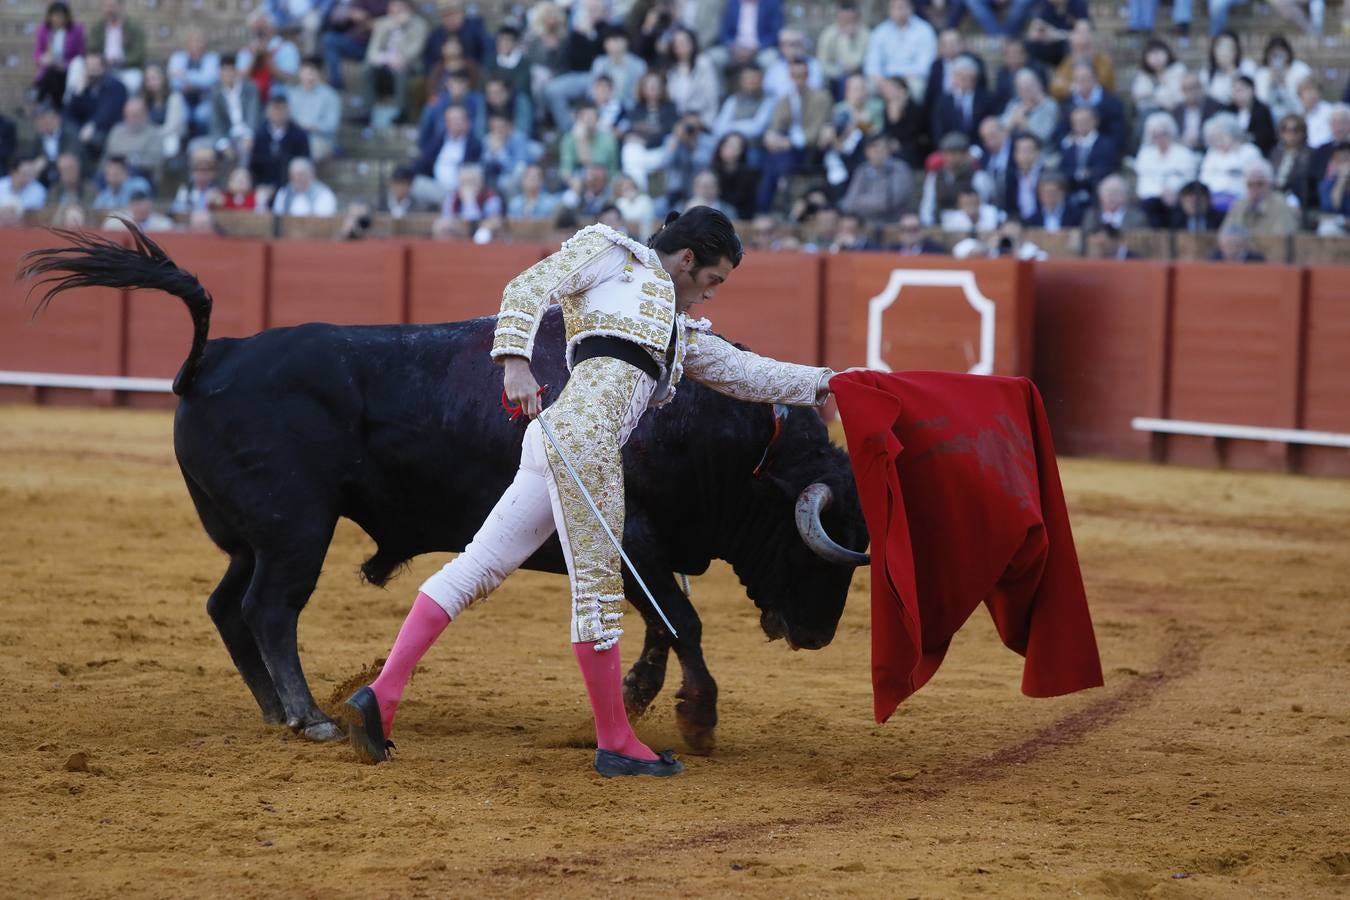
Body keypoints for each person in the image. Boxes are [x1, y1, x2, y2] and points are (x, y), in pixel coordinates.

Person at [342, 207, 843, 778]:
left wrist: (835, 381)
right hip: (588, 448)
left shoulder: (677, 331)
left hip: (555, 440)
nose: (710, 296)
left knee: (478, 566)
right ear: (687, 260)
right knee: (598, 595)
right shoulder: (612, 257)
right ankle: (616, 743)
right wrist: (513, 362)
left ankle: (380, 698)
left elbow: (749, 375)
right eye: (712, 280)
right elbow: (530, 284)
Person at [755, 58, 833, 212]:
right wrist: (771, 136)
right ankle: (767, 205)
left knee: (776, 160)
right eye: (794, 75)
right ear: (790, 77)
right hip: (787, 150)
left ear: (807, 76)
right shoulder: (785, 99)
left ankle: (764, 207)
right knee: (770, 157)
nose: (798, 80)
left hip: (810, 149)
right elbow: (776, 125)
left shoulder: (821, 97)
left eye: (801, 75)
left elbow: (816, 130)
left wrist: (789, 142)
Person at [358, 0, 428, 124]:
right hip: (385, 65)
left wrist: (401, 28)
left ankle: (402, 112)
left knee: (401, 69)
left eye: (399, 7)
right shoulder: (383, 23)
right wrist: (388, 58)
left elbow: (414, 52)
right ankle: (366, 112)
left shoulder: (420, 25)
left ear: (408, 9)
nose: (395, 10)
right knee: (368, 68)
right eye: (393, 6)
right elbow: (372, 52)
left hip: (409, 67)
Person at [1136, 112, 1199, 226]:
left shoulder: (1183, 153)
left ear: (1171, 133)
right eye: (1155, 135)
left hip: (1178, 196)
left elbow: (1188, 178)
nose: (1160, 139)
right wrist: (1161, 192)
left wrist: (1172, 190)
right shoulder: (1145, 154)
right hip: (1152, 198)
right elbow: (1144, 181)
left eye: (1163, 134)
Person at [863, 0, 936, 96]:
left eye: (903, 7)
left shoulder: (924, 30)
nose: (900, 11)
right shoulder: (880, 31)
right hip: (885, 79)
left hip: (911, 78)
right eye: (897, 8)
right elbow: (872, 63)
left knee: (918, 86)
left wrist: (903, 81)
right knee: (867, 86)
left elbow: (925, 64)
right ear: (890, 10)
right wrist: (882, 81)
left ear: (911, 8)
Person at [65, 51, 127, 162]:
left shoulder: (115, 86)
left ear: (103, 68)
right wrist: (77, 94)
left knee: (91, 140)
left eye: (94, 66)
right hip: (84, 130)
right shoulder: (84, 87)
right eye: (88, 66)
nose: (91, 70)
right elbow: (69, 114)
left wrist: (92, 125)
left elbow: (108, 112)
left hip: (108, 129)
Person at [840, 135, 913, 226]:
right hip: (863, 224)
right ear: (867, 152)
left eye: (881, 149)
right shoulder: (862, 170)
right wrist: (862, 203)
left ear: (888, 151)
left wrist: (860, 202)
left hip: (893, 224)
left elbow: (889, 202)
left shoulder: (900, 169)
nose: (877, 153)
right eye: (873, 149)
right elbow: (849, 202)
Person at [1198, 112, 1263, 211]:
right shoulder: (1212, 153)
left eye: (1220, 136)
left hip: (1240, 199)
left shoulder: (1249, 151)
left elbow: (1254, 180)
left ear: (1233, 134)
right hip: (1213, 199)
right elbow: (1204, 178)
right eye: (1214, 138)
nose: (1217, 141)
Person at [319, 0, 387, 90]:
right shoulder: (357, 2)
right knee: (329, 40)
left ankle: (336, 83)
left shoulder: (384, 4)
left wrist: (365, 19)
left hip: (372, 48)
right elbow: (336, 19)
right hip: (354, 42)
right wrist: (349, 14)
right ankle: (336, 82)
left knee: (329, 40)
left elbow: (384, 25)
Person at [1221, 158, 1299, 235]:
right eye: (1250, 184)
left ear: (1269, 184)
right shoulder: (1239, 206)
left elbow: (1282, 237)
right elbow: (1225, 235)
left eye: (1260, 184)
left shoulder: (1281, 204)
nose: (1255, 188)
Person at [249, 94, 311, 189]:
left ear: (288, 110)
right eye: (275, 109)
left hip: (291, 187)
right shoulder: (259, 135)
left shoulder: (299, 135)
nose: (278, 113)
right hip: (263, 186)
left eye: (282, 109)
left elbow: (304, 163)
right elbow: (254, 165)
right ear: (268, 111)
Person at [32, 1, 85, 109]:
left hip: (69, 71)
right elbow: (38, 52)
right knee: (52, 73)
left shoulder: (76, 30)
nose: (58, 19)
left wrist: (65, 64)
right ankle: (53, 106)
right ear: (50, 16)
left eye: (61, 16)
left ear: (67, 17)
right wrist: (43, 59)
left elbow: (80, 54)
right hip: (49, 70)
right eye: (55, 16)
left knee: (54, 75)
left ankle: (39, 98)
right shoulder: (43, 30)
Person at [167, 27, 221, 132]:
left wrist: (184, 75)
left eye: (200, 41)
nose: (196, 45)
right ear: (187, 43)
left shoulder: (212, 58)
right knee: (181, 114)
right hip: (183, 98)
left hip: (205, 98)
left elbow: (209, 80)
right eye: (193, 41)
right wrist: (198, 80)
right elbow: (174, 82)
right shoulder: (177, 58)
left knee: (202, 116)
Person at [208, 56, 261, 160]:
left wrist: (249, 136)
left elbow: (253, 114)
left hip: (248, 133)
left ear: (235, 71)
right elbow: (216, 122)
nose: (228, 74)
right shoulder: (216, 94)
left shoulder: (250, 88)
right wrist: (224, 144)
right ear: (220, 73)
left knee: (245, 150)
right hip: (228, 135)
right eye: (224, 71)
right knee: (197, 146)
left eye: (230, 70)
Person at [664, 27, 719, 128]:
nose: (680, 46)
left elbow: (711, 98)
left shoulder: (704, 64)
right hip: (677, 120)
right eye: (676, 43)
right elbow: (671, 100)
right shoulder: (671, 70)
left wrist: (702, 122)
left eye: (684, 42)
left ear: (692, 43)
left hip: (701, 119)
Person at [86, 0, 146, 94]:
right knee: (77, 65)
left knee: (131, 84)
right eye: (106, 6)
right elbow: (91, 49)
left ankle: (129, 108)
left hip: (127, 69)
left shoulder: (134, 27)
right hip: (102, 68)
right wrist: (102, 61)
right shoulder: (98, 28)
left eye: (112, 6)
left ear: (121, 7)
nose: (109, 9)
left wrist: (120, 60)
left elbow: (139, 53)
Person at [930, 56, 991, 144]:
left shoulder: (985, 100)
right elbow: (938, 130)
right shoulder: (943, 101)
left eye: (969, 78)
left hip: (976, 150)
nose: (965, 81)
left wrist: (976, 150)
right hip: (950, 149)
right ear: (954, 77)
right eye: (961, 77)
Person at [102, 96, 164, 182]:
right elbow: (107, 155)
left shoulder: (153, 133)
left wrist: (129, 162)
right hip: (113, 172)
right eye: (128, 115)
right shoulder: (116, 131)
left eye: (135, 115)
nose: (131, 119)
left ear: (145, 115)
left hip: (140, 173)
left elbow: (155, 161)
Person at [711, 64, 774, 146]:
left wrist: (731, 126)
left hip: (756, 146)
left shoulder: (769, 100)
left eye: (754, 79)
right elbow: (719, 128)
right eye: (747, 79)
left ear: (761, 80)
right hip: (731, 144)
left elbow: (757, 129)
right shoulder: (733, 100)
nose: (751, 82)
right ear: (741, 81)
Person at [289, 59, 340, 160]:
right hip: (295, 138)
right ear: (300, 73)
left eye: (312, 72)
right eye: (306, 72)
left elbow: (331, 125)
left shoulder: (330, 95)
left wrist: (309, 127)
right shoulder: (292, 94)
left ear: (319, 74)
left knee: (307, 150)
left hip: (320, 140)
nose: (309, 76)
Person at [1255, 35, 1311, 122]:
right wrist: (1272, 81)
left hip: (1297, 116)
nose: (1277, 58)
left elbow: (1303, 102)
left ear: (1288, 53)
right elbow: (1262, 102)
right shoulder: (1261, 74)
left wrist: (1283, 81)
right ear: (1267, 55)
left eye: (1280, 54)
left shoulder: (1301, 69)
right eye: (1274, 55)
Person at [1131, 39, 1186, 121]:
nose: (1156, 58)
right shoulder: (1143, 75)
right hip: (1149, 116)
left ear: (1167, 53)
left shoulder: (1178, 69)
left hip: (1174, 113)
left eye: (1158, 53)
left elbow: (1178, 97)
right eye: (1151, 54)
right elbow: (1138, 96)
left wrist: (1153, 95)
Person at [1172, 71, 1227, 152]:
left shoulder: (1213, 107)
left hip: (1207, 151)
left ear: (1200, 88)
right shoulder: (1176, 111)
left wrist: (1199, 141)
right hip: (1182, 151)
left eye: (1194, 87)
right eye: (1187, 89)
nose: (1191, 92)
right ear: (1182, 91)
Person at [816, 2, 868, 89]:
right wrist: (840, 71)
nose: (848, 22)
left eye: (851, 19)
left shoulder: (865, 34)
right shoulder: (828, 34)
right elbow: (822, 63)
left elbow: (861, 61)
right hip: (835, 79)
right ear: (838, 16)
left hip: (861, 75)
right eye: (845, 19)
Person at [1270, 113, 1316, 210]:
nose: (1290, 134)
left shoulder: (1310, 154)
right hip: (1273, 198)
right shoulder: (1275, 153)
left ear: (1303, 132)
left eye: (1295, 130)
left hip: (1297, 201)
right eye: (1285, 130)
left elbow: (1305, 184)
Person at [1001, 67, 1058, 145]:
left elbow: (1044, 136)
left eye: (1029, 87)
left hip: (1042, 152)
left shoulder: (1049, 105)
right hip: (1016, 150)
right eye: (1022, 89)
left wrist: (1024, 124)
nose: (1026, 92)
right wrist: (1013, 121)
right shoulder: (1015, 103)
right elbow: (1002, 129)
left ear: (1039, 84)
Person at [1201, 31, 1255, 105]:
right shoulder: (1206, 72)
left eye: (1229, 48)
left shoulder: (1247, 66)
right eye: (1220, 47)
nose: (1224, 52)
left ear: (1236, 50)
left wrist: (1232, 72)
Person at [270, 156, 337, 215]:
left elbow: (324, 220)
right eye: (293, 175)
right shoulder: (284, 193)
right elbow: (277, 215)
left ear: (311, 174)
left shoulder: (324, 194)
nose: (296, 178)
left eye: (300, 175)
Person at [1081, 174, 1148, 231]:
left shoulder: (1138, 219)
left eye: (1115, 193)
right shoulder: (1091, 216)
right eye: (1107, 193)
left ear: (1125, 196)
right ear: (1100, 197)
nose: (1111, 197)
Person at [1005, 132, 1045, 222]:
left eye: (1028, 151)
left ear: (1037, 153)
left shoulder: (1046, 174)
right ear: (1015, 155)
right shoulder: (1011, 177)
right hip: (1020, 223)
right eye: (1020, 151)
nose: (1024, 156)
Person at [172, 148, 222, 214]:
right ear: (192, 172)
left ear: (213, 172)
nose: (202, 175)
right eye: (197, 170)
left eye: (206, 170)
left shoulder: (219, 189)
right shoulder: (186, 189)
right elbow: (176, 211)